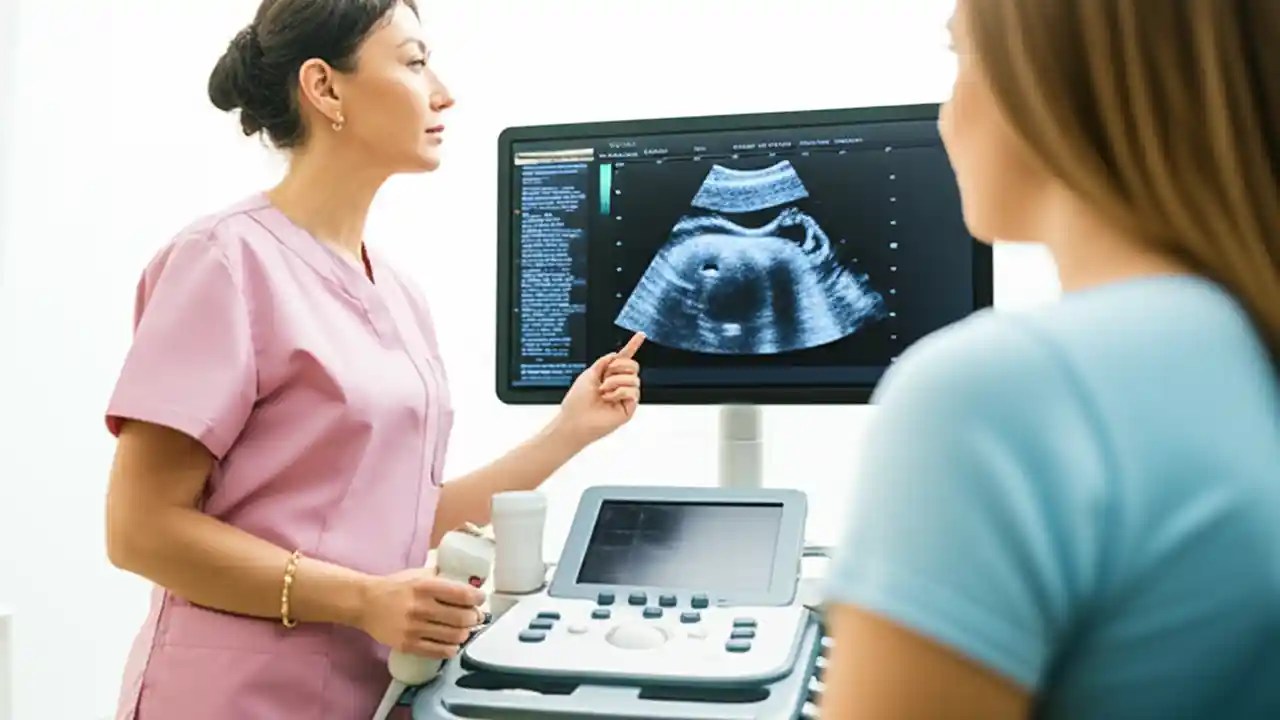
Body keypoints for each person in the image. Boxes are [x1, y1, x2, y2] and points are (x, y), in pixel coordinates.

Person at [101, 1, 645, 718]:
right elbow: (140, 530)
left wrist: (570, 431)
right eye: (416, 63)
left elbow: (404, 523)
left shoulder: (398, 293)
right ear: (324, 87)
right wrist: (364, 600)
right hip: (232, 698)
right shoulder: (223, 262)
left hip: (368, 694)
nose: (443, 92)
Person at [818, 1, 1278, 719]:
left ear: (1055, 82)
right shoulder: (1246, 341)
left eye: (960, 57)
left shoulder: (1001, 392)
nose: (946, 116)